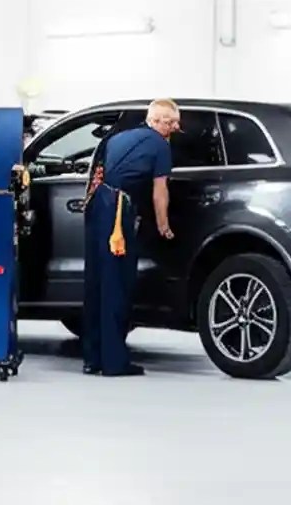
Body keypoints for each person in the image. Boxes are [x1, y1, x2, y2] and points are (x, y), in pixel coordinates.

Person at [80, 99, 179, 376]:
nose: (174, 127)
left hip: (97, 205)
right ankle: (114, 363)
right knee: (117, 285)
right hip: (118, 212)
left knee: (96, 282)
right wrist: (163, 225)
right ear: (158, 121)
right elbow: (160, 190)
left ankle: (93, 358)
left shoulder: (119, 137)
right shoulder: (161, 145)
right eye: (171, 122)